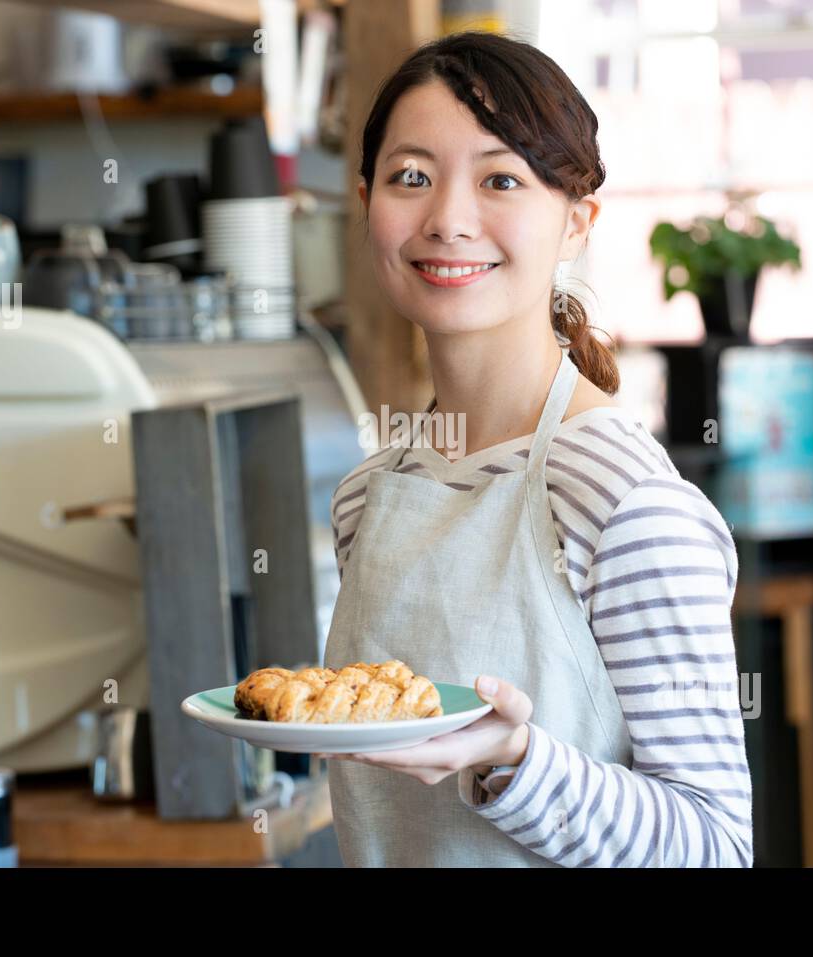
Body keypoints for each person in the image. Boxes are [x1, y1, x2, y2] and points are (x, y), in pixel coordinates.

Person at [317, 31, 752, 867]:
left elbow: (717, 844)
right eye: (411, 177)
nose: (447, 218)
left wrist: (514, 762)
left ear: (577, 222)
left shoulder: (621, 501)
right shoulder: (367, 500)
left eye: (500, 179)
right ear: (365, 197)